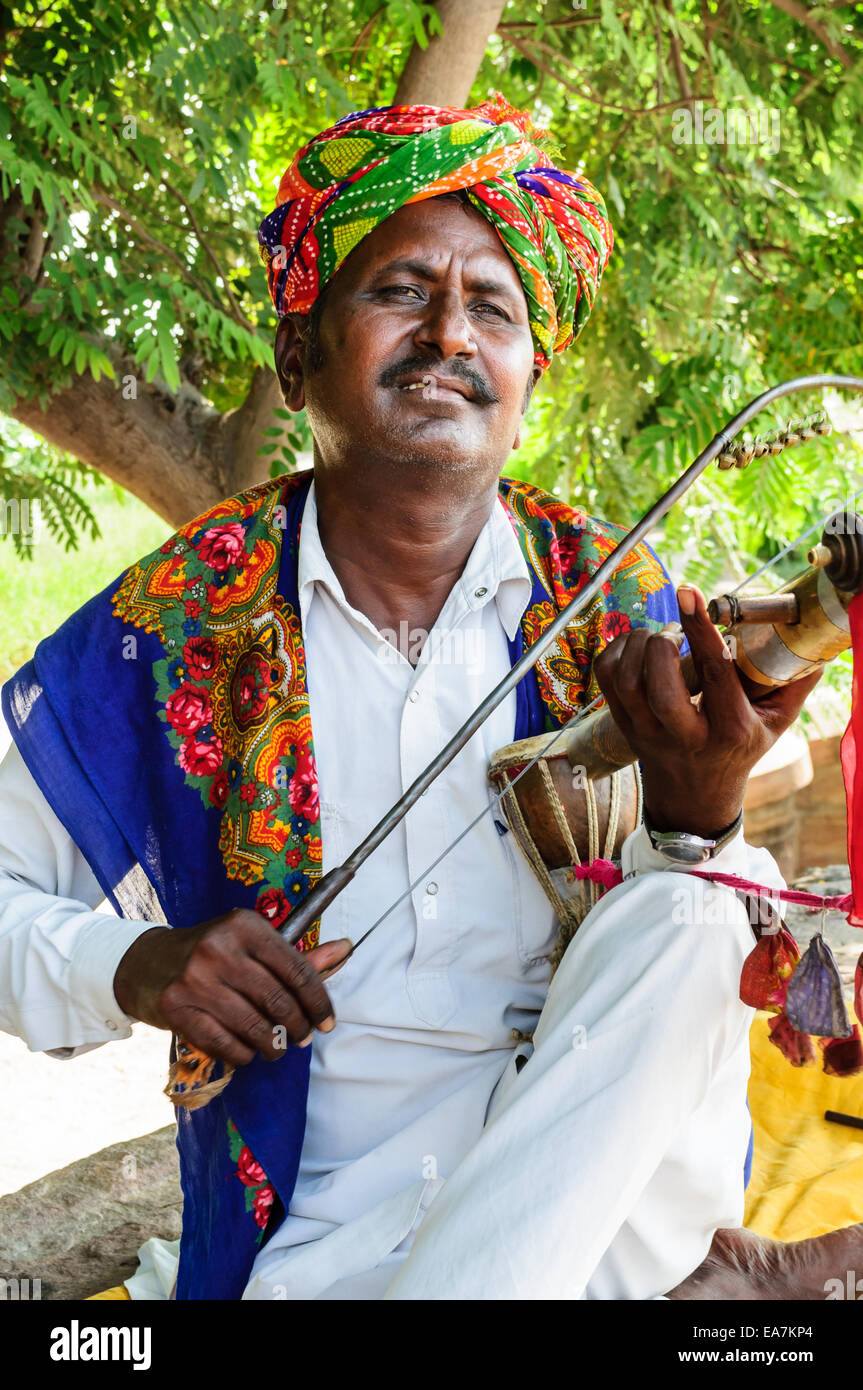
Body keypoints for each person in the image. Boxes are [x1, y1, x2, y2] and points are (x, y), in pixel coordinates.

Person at [0, 96, 830, 1300]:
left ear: (525, 376)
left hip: (609, 1226)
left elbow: (689, 998)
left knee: (690, 918)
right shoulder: (177, 626)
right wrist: (138, 964)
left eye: (492, 306)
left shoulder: (615, 598)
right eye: (400, 291)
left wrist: (698, 823)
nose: (450, 331)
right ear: (295, 359)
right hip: (321, 1252)